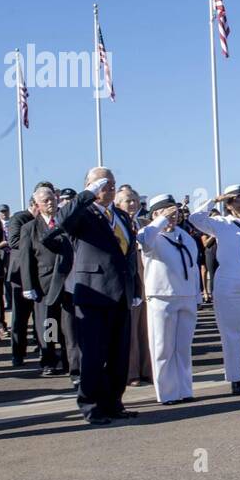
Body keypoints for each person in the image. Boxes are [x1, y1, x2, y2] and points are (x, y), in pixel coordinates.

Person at [57, 167, 141, 425]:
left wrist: (135, 289)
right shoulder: (82, 213)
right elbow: (61, 221)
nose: (109, 187)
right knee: (93, 355)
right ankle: (91, 406)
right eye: (102, 183)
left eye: (112, 183)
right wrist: (85, 195)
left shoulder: (122, 217)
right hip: (93, 293)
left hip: (120, 294)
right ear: (89, 186)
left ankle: (114, 402)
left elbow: (128, 258)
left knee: (119, 356)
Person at [189, 184, 240, 394]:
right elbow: (195, 218)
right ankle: (236, 378)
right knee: (232, 333)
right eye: (237, 199)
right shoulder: (221, 224)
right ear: (228, 204)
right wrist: (216, 199)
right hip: (230, 283)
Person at [135, 194, 200, 405]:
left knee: (182, 347)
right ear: (155, 214)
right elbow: (144, 240)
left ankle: (184, 388)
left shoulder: (184, 235)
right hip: (161, 295)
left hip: (186, 295)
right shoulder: (150, 233)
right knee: (162, 347)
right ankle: (167, 393)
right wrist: (161, 219)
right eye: (168, 212)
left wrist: (197, 293)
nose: (174, 216)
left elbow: (193, 267)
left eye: (175, 212)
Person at [20, 185, 78, 380]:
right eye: (45, 200)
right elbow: (26, 258)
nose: (50, 203)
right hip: (44, 285)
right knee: (48, 325)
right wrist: (28, 286)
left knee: (68, 325)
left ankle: (71, 362)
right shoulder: (30, 228)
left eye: (52, 199)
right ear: (37, 204)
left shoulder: (66, 223)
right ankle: (49, 361)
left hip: (68, 281)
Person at [116, 185, 153, 387]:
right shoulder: (115, 224)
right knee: (130, 328)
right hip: (129, 280)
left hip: (149, 278)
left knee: (146, 328)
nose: (132, 203)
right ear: (117, 204)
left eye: (134, 200)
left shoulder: (146, 223)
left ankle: (148, 369)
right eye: (127, 200)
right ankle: (131, 372)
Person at [5, 195, 38, 367]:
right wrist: (39, 243)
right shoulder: (19, 218)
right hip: (21, 275)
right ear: (34, 203)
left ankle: (48, 346)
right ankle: (18, 353)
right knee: (20, 317)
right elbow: (14, 241)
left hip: (43, 275)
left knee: (48, 318)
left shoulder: (51, 220)